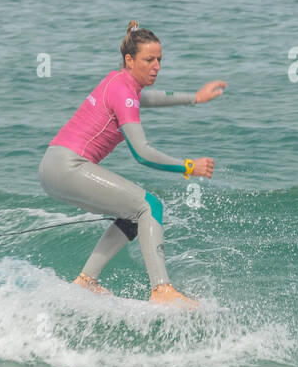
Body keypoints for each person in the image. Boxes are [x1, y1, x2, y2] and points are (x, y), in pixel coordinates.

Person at [39, 21, 227, 307]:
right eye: (149, 60)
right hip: (69, 165)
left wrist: (195, 98)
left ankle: (87, 281)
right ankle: (161, 290)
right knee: (150, 206)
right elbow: (142, 153)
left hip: (54, 166)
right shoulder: (123, 90)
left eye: (160, 60)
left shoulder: (119, 83)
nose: (157, 66)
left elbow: (148, 99)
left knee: (131, 216)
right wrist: (189, 167)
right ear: (130, 60)